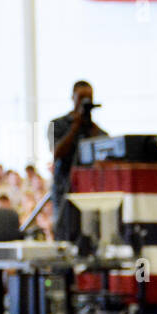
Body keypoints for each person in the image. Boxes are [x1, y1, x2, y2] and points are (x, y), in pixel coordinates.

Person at [48, 80, 107, 244]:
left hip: (89, 193)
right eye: (81, 97)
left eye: (89, 97)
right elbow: (57, 152)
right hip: (64, 190)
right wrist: (75, 127)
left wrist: (90, 128)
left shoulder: (97, 131)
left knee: (90, 237)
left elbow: (105, 157)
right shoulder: (57, 125)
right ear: (72, 98)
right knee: (65, 236)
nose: (85, 101)